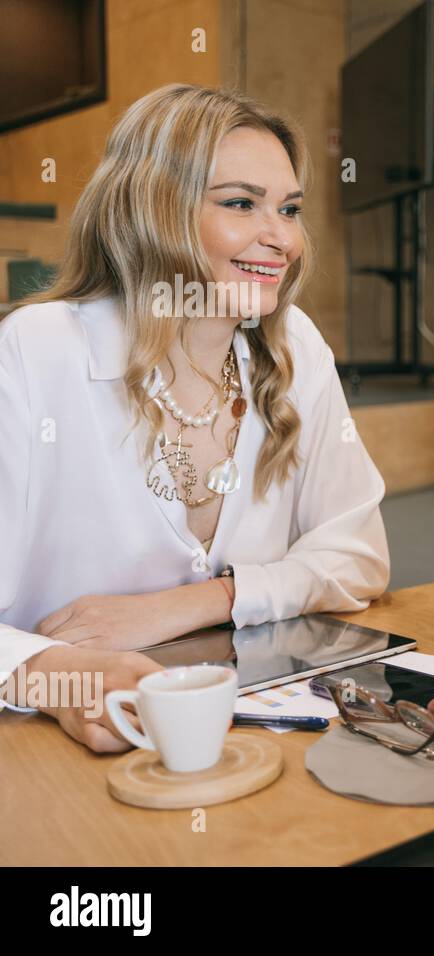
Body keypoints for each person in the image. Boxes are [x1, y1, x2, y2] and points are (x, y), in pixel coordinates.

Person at [0, 84, 390, 752]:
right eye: (241, 203)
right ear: (153, 209)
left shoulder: (294, 345)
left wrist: (210, 599)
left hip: (253, 744)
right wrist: (50, 674)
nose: (281, 239)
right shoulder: (37, 350)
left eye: (289, 209)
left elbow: (357, 555)